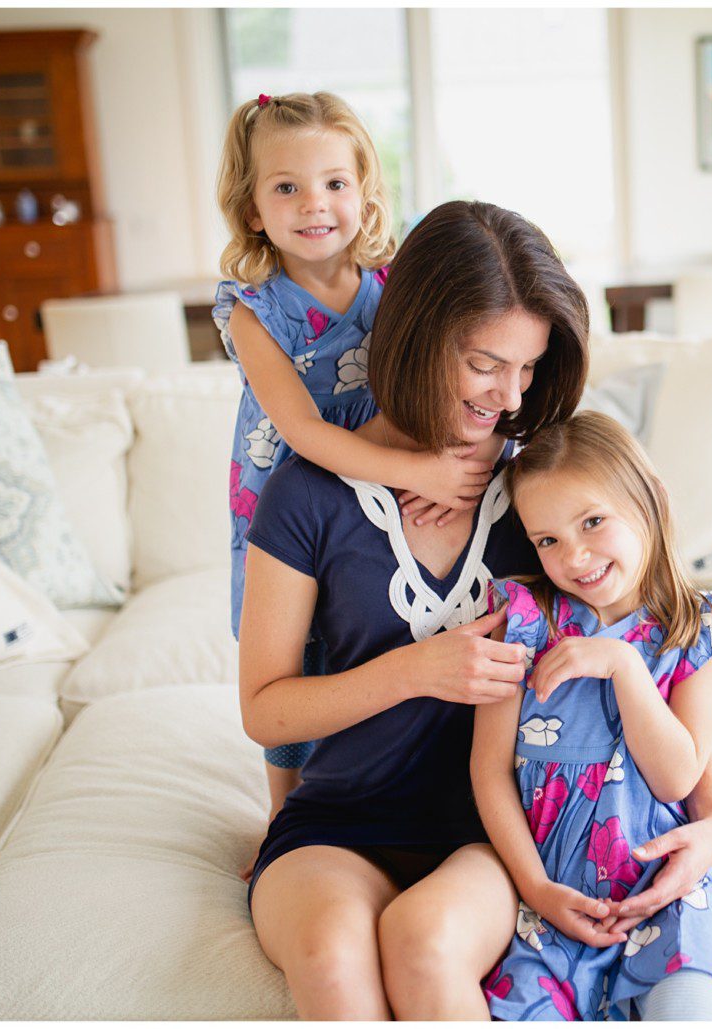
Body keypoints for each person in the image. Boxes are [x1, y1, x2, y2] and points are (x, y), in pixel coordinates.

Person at [237, 200, 712, 1020]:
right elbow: (264, 710)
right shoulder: (308, 496)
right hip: (335, 825)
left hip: (491, 838)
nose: (509, 397)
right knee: (333, 958)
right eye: (484, 363)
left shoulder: (539, 495)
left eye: (529, 368)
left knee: (427, 944)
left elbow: (657, 643)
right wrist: (417, 669)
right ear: (419, 335)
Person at [214, 92, 492, 818]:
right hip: (296, 496)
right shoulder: (255, 312)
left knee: (366, 626)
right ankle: (285, 805)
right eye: (286, 187)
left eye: (335, 183)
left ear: (365, 196)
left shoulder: (392, 287)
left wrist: (444, 459)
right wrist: (418, 471)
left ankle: (385, 777)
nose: (315, 204)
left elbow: (441, 378)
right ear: (252, 208)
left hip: (385, 486)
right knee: (295, 650)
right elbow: (304, 433)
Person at [472, 412, 712, 1021]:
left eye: (593, 521)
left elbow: (678, 778)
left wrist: (624, 664)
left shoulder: (696, 629)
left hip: (672, 898)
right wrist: (536, 890)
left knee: (690, 1009)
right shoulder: (520, 620)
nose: (574, 555)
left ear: (647, 502)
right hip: (555, 900)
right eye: (547, 540)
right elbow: (489, 771)